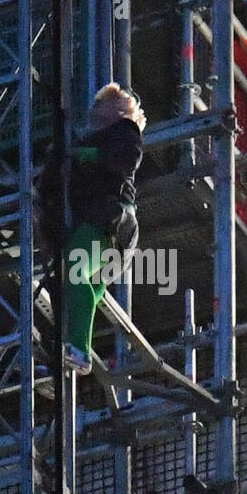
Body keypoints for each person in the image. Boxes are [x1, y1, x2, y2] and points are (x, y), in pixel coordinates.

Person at [42, 83, 146, 375]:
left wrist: (83, 155)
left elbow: (125, 160)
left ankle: (79, 351)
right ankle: (74, 349)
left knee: (74, 272)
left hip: (108, 218)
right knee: (81, 287)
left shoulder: (123, 132)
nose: (94, 110)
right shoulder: (101, 139)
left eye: (102, 104)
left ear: (118, 110)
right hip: (118, 231)